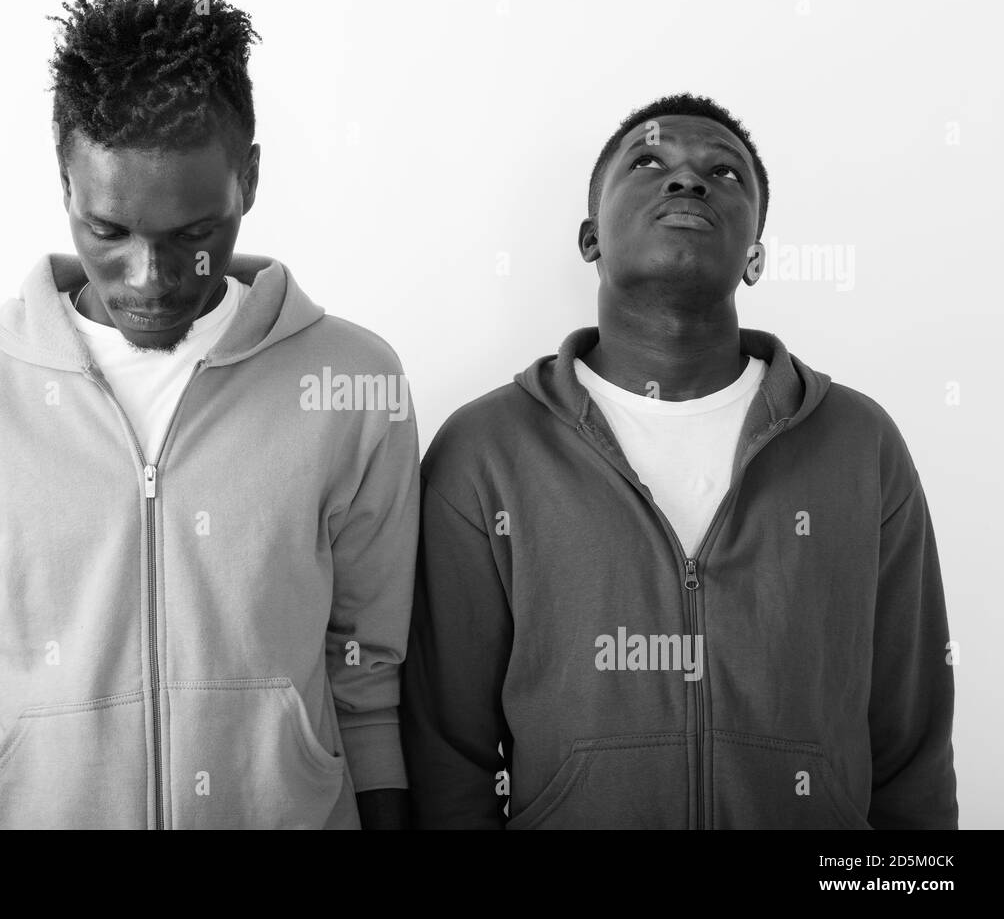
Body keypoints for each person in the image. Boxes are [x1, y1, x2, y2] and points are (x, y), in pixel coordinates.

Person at [0, 0, 416, 829]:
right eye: (108, 232)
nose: (151, 279)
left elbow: (369, 673)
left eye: (194, 235)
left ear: (249, 179)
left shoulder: (352, 384)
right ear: (65, 186)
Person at [402, 93, 957, 829]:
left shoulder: (860, 444)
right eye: (649, 161)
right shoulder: (485, 451)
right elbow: (449, 756)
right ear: (589, 237)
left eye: (724, 173)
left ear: (755, 253)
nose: (688, 180)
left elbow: (910, 746)